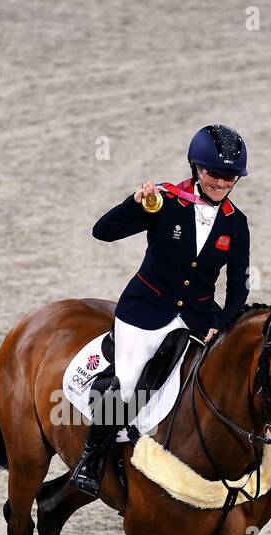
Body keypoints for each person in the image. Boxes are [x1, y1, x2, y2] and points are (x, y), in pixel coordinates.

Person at [70, 124, 251, 496]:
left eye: (230, 176)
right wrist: (134, 202)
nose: (221, 182)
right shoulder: (165, 201)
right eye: (214, 173)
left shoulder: (236, 223)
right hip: (147, 309)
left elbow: (238, 286)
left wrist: (223, 322)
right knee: (128, 385)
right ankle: (91, 458)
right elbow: (102, 232)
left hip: (199, 315)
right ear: (196, 170)